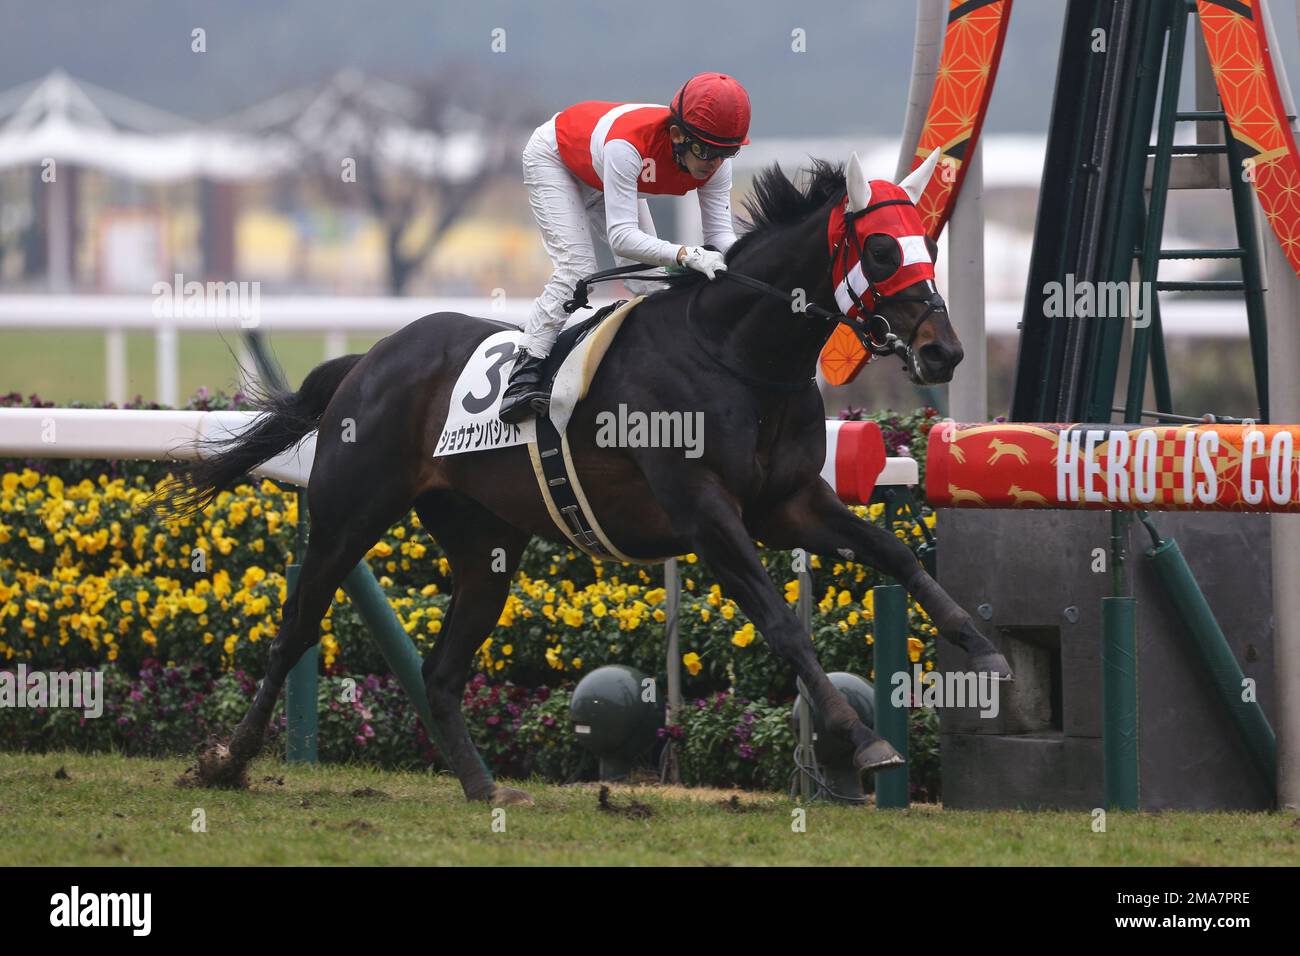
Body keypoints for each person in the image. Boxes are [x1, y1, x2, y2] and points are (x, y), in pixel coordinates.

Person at [499, 72, 751, 422]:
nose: (714, 163)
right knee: (578, 270)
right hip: (556, 160)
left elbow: (721, 237)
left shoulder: (715, 163)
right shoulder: (628, 147)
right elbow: (622, 238)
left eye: (728, 152)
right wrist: (685, 255)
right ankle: (523, 373)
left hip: (603, 170)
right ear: (677, 136)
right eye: (705, 151)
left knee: (649, 285)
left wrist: (748, 265)